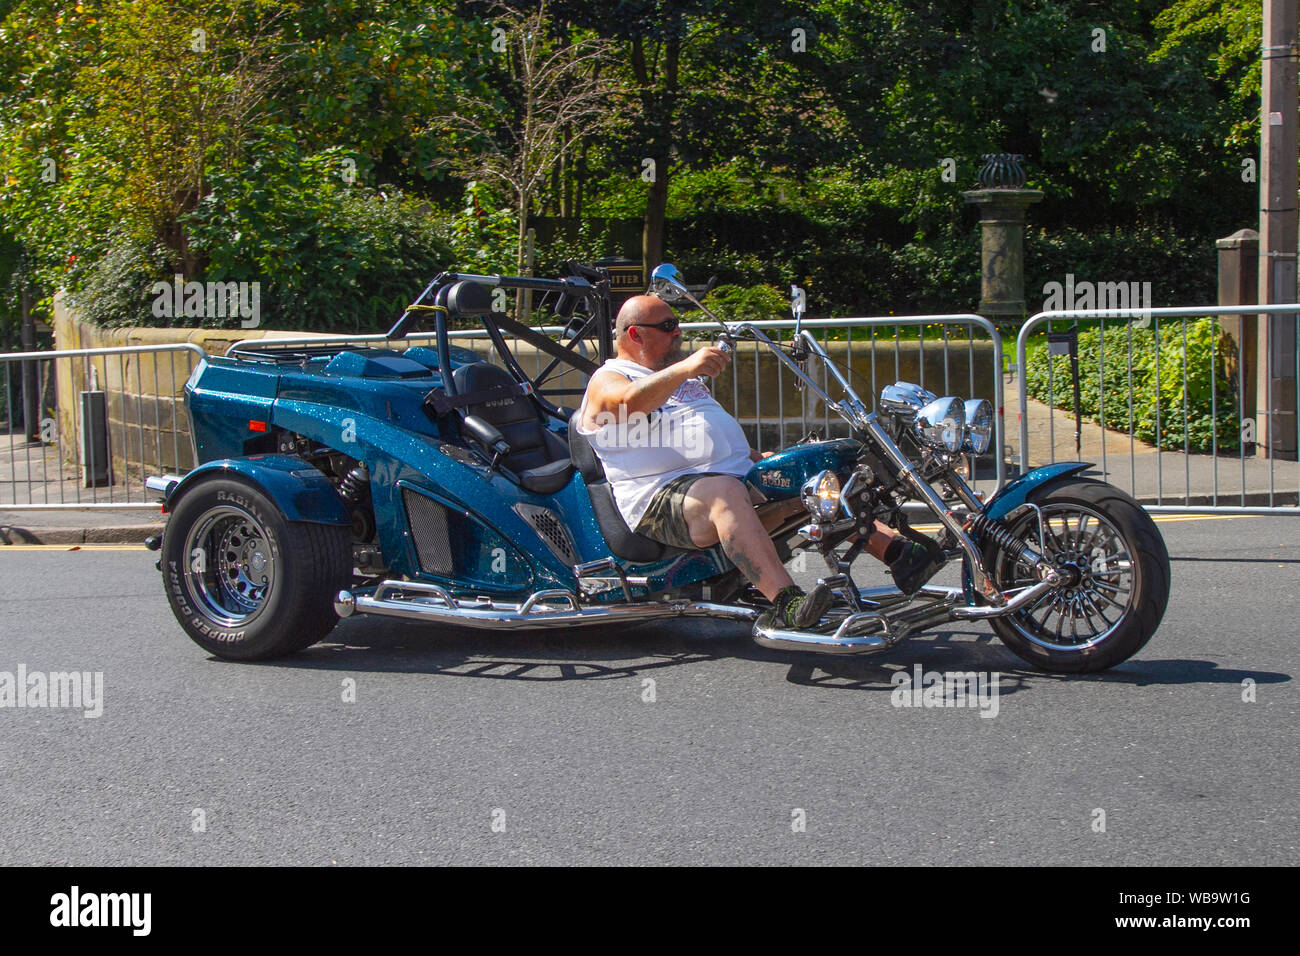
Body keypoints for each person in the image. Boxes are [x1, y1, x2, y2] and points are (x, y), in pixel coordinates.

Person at [576, 295, 944, 630]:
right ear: (636, 335)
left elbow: (711, 435)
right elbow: (622, 404)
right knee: (724, 493)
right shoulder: (610, 377)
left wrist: (762, 459)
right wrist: (686, 369)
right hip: (660, 498)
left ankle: (901, 555)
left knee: (816, 473)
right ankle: (786, 602)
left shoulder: (673, 378)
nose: (679, 334)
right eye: (669, 327)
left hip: (726, 477)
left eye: (678, 325)